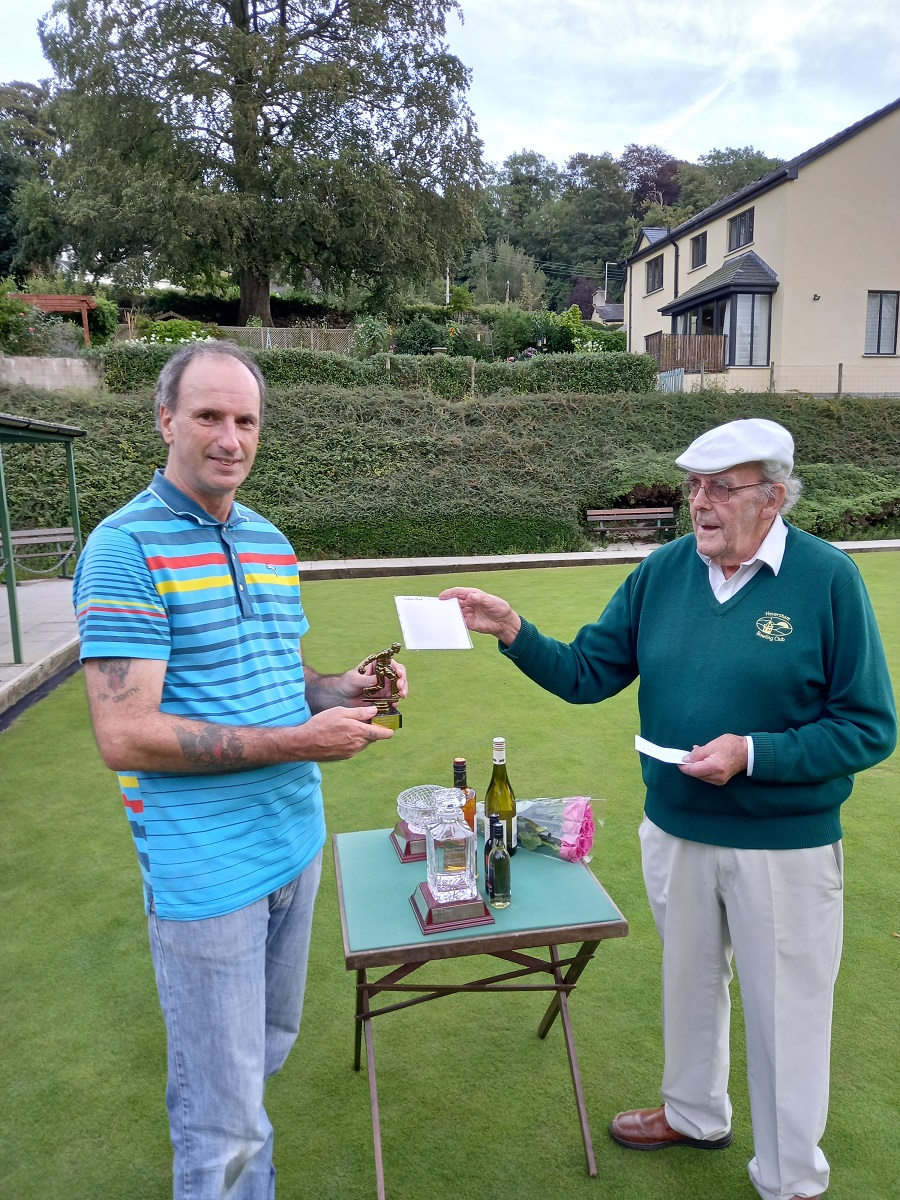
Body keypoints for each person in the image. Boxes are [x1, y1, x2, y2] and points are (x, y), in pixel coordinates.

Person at [440, 418, 896, 1200]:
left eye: (722, 488)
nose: (700, 503)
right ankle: (693, 1113)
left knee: (788, 1012)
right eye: (693, 487)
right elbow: (588, 672)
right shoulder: (663, 572)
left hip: (783, 847)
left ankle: (790, 1179)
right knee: (688, 983)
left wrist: (754, 754)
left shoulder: (827, 580)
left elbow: (867, 726)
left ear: (773, 497)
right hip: (677, 830)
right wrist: (512, 629)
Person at [73, 341, 407, 1200]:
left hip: (293, 844)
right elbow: (126, 734)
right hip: (205, 867)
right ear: (165, 421)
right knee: (224, 1119)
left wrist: (349, 688)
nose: (231, 437)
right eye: (210, 416)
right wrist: (301, 743)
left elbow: (280, 685)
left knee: (263, 1057)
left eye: (246, 419)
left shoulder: (267, 540)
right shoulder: (123, 548)